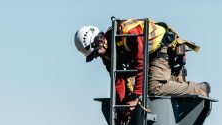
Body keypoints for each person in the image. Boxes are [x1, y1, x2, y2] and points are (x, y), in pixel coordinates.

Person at [74, 20, 210, 114]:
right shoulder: (107, 54)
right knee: (134, 89)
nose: (97, 56)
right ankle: (174, 80)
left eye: (96, 52)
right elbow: (118, 79)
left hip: (162, 48)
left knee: (153, 88)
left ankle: (199, 89)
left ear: (100, 41)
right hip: (149, 55)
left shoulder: (127, 34)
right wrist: (122, 109)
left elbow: (141, 63)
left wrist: (135, 98)